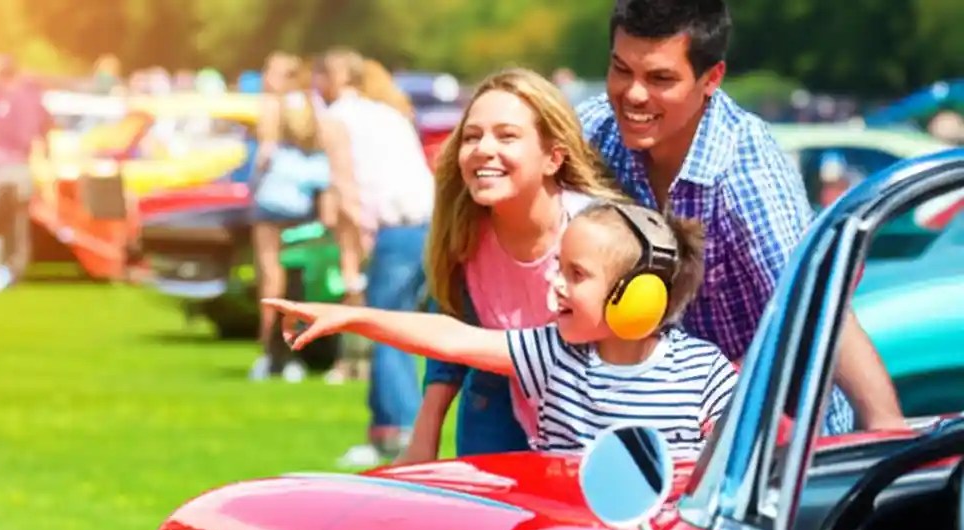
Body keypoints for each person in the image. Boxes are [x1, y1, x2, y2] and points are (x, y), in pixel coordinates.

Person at [578, 0, 904, 434]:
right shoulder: (598, 131)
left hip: (772, 442)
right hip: (659, 430)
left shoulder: (744, 171)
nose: (633, 94)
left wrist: (885, 426)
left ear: (711, 78)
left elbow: (813, 306)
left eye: (660, 79)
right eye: (621, 69)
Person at [266, 201, 737, 461]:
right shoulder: (552, 356)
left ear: (639, 296)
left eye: (576, 274)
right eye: (558, 267)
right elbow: (450, 337)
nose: (555, 283)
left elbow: (745, 458)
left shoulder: (702, 372)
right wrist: (352, 317)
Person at [399, 68, 625, 465]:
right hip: (500, 399)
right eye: (472, 136)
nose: (484, 149)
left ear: (553, 157)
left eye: (507, 136)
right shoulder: (464, 234)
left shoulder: (602, 231)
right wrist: (424, 435)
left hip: (594, 407)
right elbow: (451, 334)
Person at [314, 48, 436, 467]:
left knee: (385, 330)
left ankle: (396, 433)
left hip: (393, 229)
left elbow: (345, 187)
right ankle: (394, 427)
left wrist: (355, 252)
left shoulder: (337, 118)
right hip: (427, 224)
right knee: (401, 328)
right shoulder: (389, 112)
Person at [248, 65, 330, 382]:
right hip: (304, 199)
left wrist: (253, 182)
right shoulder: (312, 104)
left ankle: (269, 352)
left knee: (270, 277)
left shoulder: (274, 104)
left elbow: (265, 151)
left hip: (272, 199)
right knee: (297, 282)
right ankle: (293, 350)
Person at [0, 53, 53, 290]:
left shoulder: (22, 99)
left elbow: (31, 133)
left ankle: (11, 268)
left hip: (15, 165)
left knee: (13, 220)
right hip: (2, 165)